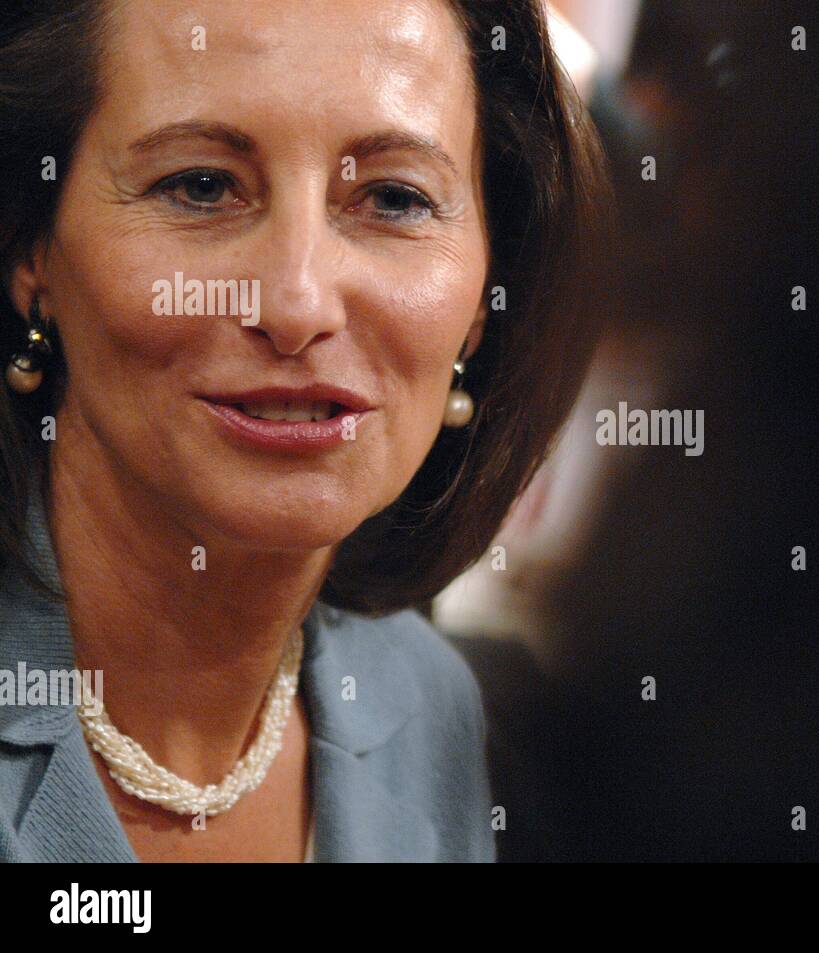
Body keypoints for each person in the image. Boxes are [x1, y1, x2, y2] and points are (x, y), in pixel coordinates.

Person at [0, 0, 609, 862]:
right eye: (201, 186)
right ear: (31, 250)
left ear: (483, 299)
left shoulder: (438, 712)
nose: (294, 305)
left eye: (394, 199)